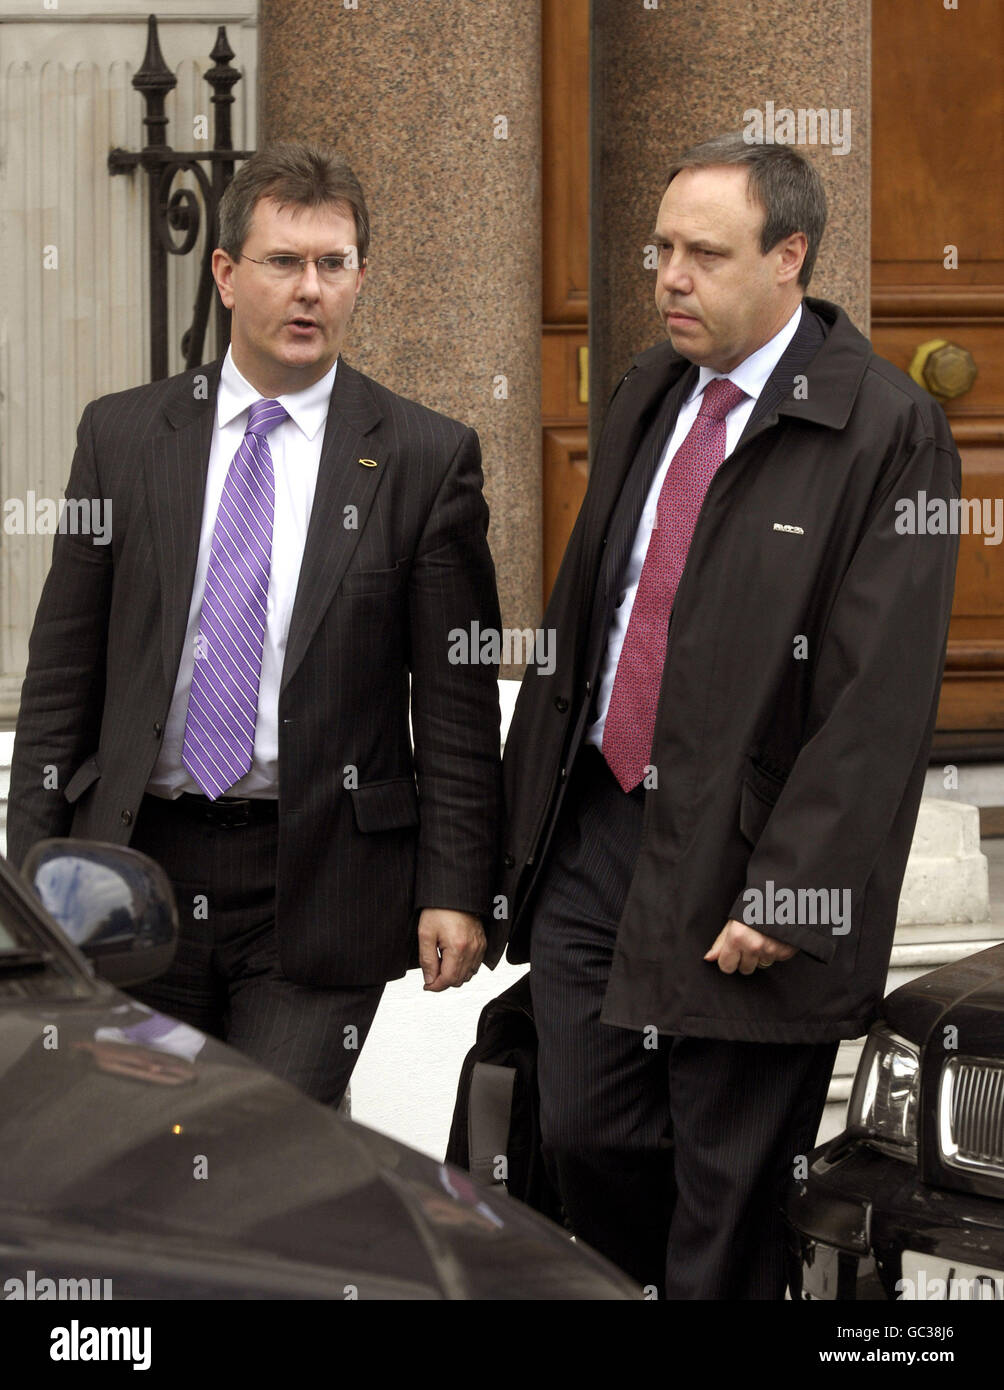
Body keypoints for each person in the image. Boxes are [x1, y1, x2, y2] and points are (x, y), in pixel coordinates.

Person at [499, 133, 960, 1299]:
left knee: (726, 1200)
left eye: (703, 253)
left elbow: (877, 694)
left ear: (788, 258)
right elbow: (584, 621)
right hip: (598, 834)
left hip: (753, 864)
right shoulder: (649, 387)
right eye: (661, 249)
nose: (667, 276)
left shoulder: (886, 429)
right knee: (585, 1137)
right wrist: (511, 850)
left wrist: (790, 886)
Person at [8, 142, 501, 1107]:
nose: (311, 289)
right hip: (133, 870)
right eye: (285, 263)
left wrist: (455, 882)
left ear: (360, 275)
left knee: (267, 1156)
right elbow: (62, 674)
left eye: (335, 263)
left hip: (318, 881)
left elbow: (454, 701)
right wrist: (25, 881)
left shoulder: (423, 457)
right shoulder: (122, 438)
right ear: (228, 274)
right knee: (133, 1155)